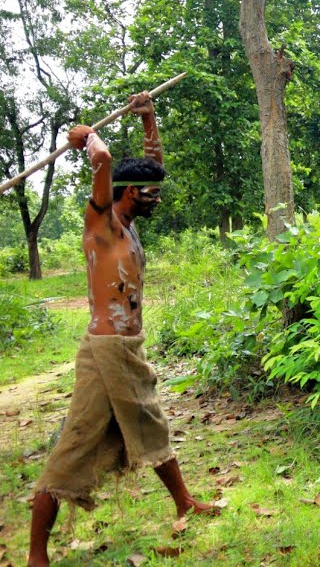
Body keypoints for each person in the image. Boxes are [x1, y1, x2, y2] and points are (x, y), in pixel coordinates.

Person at [29, 93, 215, 567]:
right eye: (150, 194)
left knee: (126, 429)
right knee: (105, 434)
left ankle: (183, 501)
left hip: (120, 347)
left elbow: (150, 166)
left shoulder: (129, 224)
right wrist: (86, 137)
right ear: (128, 192)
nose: (157, 200)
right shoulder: (103, 223)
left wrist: (149, 118)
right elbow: (106, 159)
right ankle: (36, 554)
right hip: (109, 347)